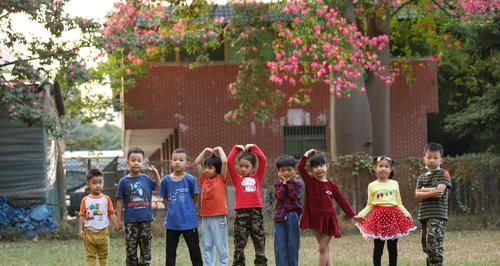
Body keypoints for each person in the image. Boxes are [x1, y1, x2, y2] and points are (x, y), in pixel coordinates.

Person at [354, 156, 416, 266]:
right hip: (378, 220)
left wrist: (407, 213)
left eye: (386, 166)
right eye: (380, 166)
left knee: (392, 248)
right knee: (378, 248)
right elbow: (369, 204)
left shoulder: (394, 184)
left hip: (393, 219)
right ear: (375, 168)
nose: (383, 169)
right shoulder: (372, 185)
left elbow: (398, 202)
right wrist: (360, 215)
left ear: (390, 169)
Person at [298, 149, 356, 266]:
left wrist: (353, 215)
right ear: (312, 170)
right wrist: (306, 155)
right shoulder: (310, 182)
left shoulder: (331, 186)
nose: (319, 169)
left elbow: (342, 201)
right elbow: (300, 168)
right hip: (315, 219)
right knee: (324, 248)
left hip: (328, 220)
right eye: (315, 167)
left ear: (327, 166)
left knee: (322, 248)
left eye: (321, 165)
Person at [116, 147, 160, 266]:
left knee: (146, 251)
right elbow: (119, 201)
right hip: (130, 222)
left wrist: (155, 173)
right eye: (133, 160)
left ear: (143, 163)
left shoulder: (146, 179)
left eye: (139, 160)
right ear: (128, 162)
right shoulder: (123, 182)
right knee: (131, 251)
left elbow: (158, 187)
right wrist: (118, 220)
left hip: (145, 220)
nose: (136, 163)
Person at [159, 148, 203, 266]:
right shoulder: (166, 180)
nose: (177, 162)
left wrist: (189, 209)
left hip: (189, 222)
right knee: (170, 253)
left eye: (181, 160)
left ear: (187, 163)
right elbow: (164, 198)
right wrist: (172, 210)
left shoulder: (190, 179)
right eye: (175, 159)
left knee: (195, 251)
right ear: (171, 162)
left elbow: (195, 197)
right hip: (172, 223)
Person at [227, 144, 268, 266]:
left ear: (253, 167)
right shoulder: (237, 178)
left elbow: (263, 159)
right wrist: (236, 149)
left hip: (256, 213)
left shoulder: (257, 177)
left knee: (259, 241)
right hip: (241, 214)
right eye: (241, 166)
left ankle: (261, 263)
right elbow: (229, 161)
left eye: (246, 166)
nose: (243, 169)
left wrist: (254, 147)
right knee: (239, 243)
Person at [415, 143, 452, 266]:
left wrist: (424, 190)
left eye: (435, 158)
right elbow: (417, 195)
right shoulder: (421, 177)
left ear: (441, 160)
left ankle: (437, 263)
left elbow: (439, 192)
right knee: (426, 246)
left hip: (437, 215)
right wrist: (430, 190)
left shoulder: (444, 173)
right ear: (423, 159)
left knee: (434, 244)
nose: (432, 160)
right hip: (424, 215)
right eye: (429, 157)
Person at [194, 147, 229, 266]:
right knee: (207, 245)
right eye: (206, 167)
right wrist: (205, 150)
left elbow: (224, 162)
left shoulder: (221, 179)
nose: (206, 170)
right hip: (205, 217)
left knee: (221, 245)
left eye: (210, 167)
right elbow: (197, 162)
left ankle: (222, 264)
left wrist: (219, 149)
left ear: (217, 169)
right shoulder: (203, 179)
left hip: (218, 217)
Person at [79, 168, 118, 266]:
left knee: (103, 256)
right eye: (94, 183)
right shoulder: (85, 200)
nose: (98, 185)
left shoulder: (106, 199)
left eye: (100, 182)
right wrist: (81, 229)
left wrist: (117, 224)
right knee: (90, 256)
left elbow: (111, 213)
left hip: (103, 232)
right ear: (88, 184)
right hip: (89, 233)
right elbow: (82, 215)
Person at [273, 155, 302, 266]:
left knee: (293, 246)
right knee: (280, 246)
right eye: (282, 170)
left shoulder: (297, 184)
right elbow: (280, 197)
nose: (286, 173)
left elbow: (294, 196)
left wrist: (288, 183)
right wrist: (284, 184)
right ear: (278, 172)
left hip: (292, 217)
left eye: (289, 170)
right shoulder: (277, 185)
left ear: (294, 171)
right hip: (279, 218)